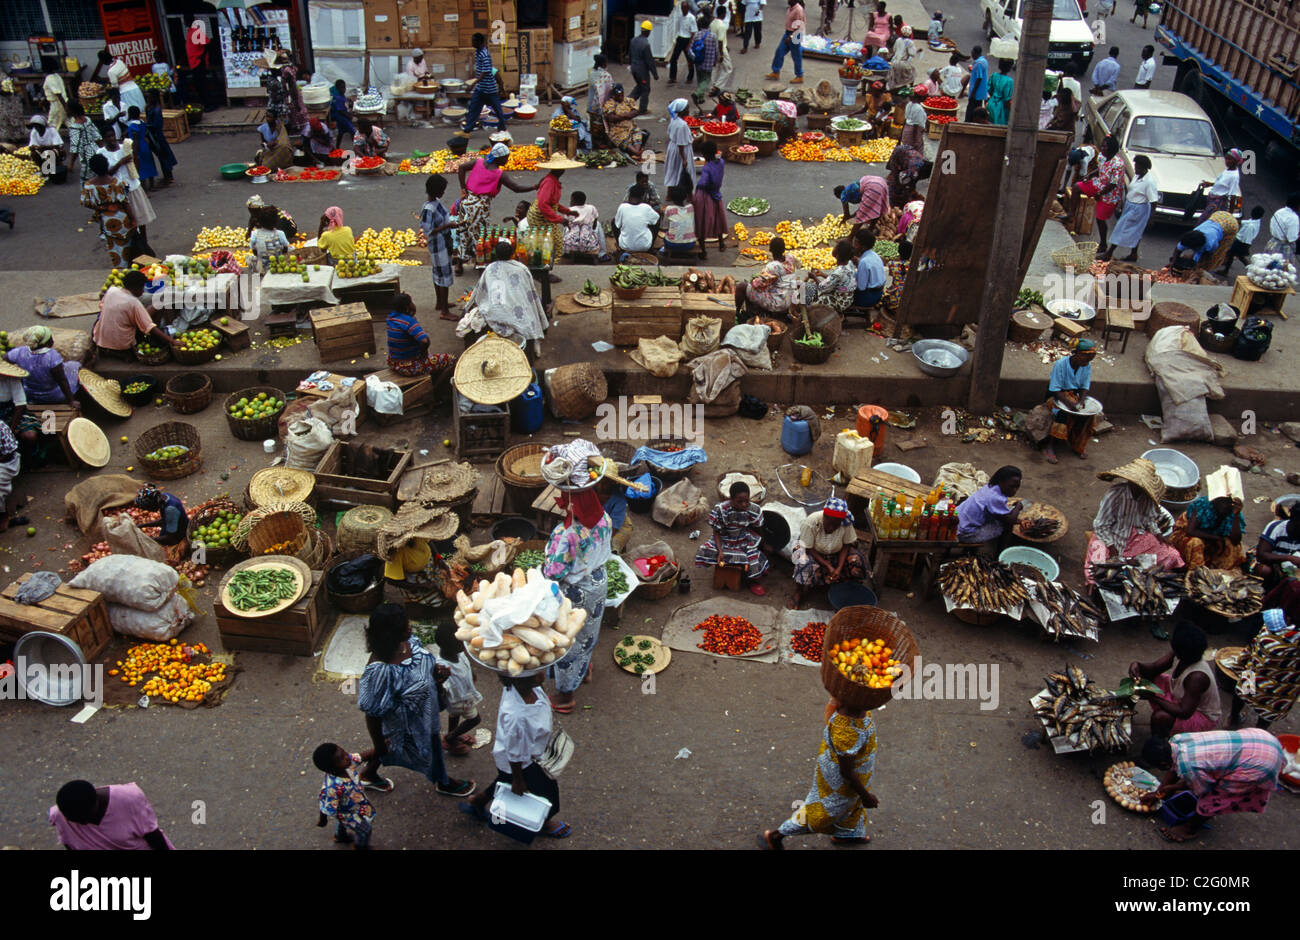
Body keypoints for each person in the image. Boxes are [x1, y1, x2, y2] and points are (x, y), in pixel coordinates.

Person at [357, 603, 475, 797]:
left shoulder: (407, 642)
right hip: (407, 725)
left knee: (395, 747)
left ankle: (369, 774)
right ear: (390, 634)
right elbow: (372, 713)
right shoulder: (379, 671)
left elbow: (420, 669)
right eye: (404, 627)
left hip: (425, 714)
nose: (410, 629)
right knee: (423, 748)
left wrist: (436, 676)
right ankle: (443, 781)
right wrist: (377, 744)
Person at [540, 441, 611, 712]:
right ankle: (587, 669)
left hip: (574, 593)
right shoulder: (603, 517)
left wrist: (548, 554)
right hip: (598, 581)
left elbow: (554, 571)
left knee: (567, 642)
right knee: (588, 632)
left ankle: (565, 696)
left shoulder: (567, 534)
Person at [759, 697, 878, 849]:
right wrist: (866, 796)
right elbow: (846, 772)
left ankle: (847, 835)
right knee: (822, 813)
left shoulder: (857, 710)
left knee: (852, 806)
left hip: (854, 775)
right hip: (840, 783)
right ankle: (776, 836)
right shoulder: (847, 731)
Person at [461, 674, 571, 837]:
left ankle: (479, 801)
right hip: (523, 763)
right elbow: (515, 753)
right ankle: (544, 823)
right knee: (548, 792)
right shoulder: (518, 717)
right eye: (538, 671)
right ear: (524, 679)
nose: (544, 672)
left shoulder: (523, 688)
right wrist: (518, 780)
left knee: (505, 778)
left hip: (516, 757)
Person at [1141, 730, 1285, 842]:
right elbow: (1174, 768)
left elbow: (1203, 789)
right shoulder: (1177, 740)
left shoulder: (1189, 767)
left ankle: (1189, 829)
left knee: (1214, 798)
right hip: (1262, 739)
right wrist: (1159, 792)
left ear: (1163, 765)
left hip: (1260, 763)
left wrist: (1171, 788)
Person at [1084, 458, 1183, 585]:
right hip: (1108, 536)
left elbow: (1149, 520)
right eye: (1136, 484)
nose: (1138, 488)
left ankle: (1141, 573)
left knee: (1171, 554)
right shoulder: (1115, 494)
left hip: (1134, 537)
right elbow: (1100, 525)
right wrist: (1111, 546)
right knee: (1097, 570)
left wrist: (1158, 534)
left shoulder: (1148, 497)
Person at [1130, 621, 1222, 741]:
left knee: (1160, 717)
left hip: (1199, 715)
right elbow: (1155, 668)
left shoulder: (1197, 677)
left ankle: (1160, 745)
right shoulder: (1185, 652)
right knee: (1140, 679)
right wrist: (1137, 665)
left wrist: (1152, 697)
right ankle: (1126, 715)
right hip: (1180, 696)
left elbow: (1184, 712)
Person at [461, 241, 549, 348]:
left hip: (496, 312)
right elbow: (530, 291)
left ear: (496, 255)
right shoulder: (521, 269)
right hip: (517, 311)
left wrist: (468, 307)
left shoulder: (490, 269)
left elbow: (479, 291)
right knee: (534, 301)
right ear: (512, 254)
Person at [791, 498, 869, 608]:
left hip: (835, 553)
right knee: (801, 557)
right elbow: (809, 548)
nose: (831, 528)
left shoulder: (845, 522)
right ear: (824, 517)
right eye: (829, 523)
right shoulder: (811, 522)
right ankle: (799, 591)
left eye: (836, 524)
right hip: (813, 551)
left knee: (856, 560)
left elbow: (846, 544)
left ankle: (846, 587)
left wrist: (839, 568)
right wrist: (827, 565)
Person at [49, 780, 174, 850]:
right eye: (72, 819)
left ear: (96, 803)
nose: (80, 824)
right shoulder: (60, 815)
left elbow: (153, 836)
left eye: (84, 818)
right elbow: (70, 844)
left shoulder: (128, 799)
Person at [456, 142, 538, 248]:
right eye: (506, 158)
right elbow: (516, 188)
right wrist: (534, 186)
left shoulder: (479, 162)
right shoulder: (499, 174)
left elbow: (461, 168)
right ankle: (480, 261)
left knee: (465, 233)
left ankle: (461, 260)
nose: (507, 160)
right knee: (480, 237)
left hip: (466, 203)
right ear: (499, 158)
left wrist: (463, 188)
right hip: (479, 208)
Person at [695, 480, 770, 594]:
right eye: (739, 501)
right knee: (706, 550)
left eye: (746, 501)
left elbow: (759, 527)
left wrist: (762, 544)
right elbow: (716, 532)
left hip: (744, 538)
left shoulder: (754, 509)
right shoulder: (720, 509)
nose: (744, 504)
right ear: (731, 499)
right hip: (725, 538)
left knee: (752, 557)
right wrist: (720, 551)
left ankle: (753, 581)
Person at [1230, 609, 1300, 730]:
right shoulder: (1295, 640)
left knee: (1243, 694)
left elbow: (1252, 644)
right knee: (1269, 710)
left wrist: (1241, 663)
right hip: (1279, 687)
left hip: (1254, 671)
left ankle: (1232, 719)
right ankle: (1257, 733)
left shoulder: (1270, 623)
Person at [1168, 466, 1247, 570]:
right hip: (1186, 537)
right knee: (1196, 543)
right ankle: (1196, 572)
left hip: (1211, 541)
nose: (1225, 506)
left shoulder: (1233, 511)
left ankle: (1220, 571)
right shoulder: (1202, 505)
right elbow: (1190, 531)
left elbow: (1236, 540)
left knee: (1234, 547)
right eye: (1222, 502)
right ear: (1215, 500)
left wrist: (1236, 515)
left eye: (1228, 503)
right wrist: (1216, 538)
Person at [97, 129, 156, 254]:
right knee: (126, 222)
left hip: (132, 187)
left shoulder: (124, 148)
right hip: (116, 192)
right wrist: (121, 162)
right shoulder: (101, 153)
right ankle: (131, 248)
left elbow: (135, 168)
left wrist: (134, 156)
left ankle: (144, 246)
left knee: (140, 220)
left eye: (113, 135)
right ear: (103, 139)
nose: (112, 138)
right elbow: (106, 173)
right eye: (108, 136)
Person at [432, 621, 483, 756]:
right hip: (459, 701)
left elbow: (465, 665)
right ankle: (450, 738)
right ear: (451, 646)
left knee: (454, 716)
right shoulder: (443, 667)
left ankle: (452, 734)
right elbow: (441, 690)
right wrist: (440, 684)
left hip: (461, 698)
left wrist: (472, 674)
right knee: (475, 719)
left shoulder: (458, 654)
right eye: (461, 642)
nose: (465, 643)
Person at [1043, 338, 1098, 462]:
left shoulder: (1086, 366)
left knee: (1089, 415)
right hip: (1056, 397)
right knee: (1063, 413)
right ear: (1077, 353)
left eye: (1091, 357)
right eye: (1086, 356)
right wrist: (1071, 405)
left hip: (1073, 396)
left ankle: (1077, 444)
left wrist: (1081, 402)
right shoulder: (1060, 364)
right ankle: (1050, 446)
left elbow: (1084, 386)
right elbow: (1055, 390)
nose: (1088, 360)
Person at [313, 743, 376, 849]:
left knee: (341, 822)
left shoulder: (347, 764)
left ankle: (340, 836)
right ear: (331, 769)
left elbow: (362, 756)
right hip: (349, 815)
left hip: (354, 805)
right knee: (365, 830)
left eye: (344, 752)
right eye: (341, 759)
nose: (347, 757)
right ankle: (360, 846)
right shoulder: (332, 788)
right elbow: (325, 808)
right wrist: (323, 820)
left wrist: (380, 747)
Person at [81, 154, 136, 270]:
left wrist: (104, 208)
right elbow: (125, 202)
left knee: (115, 249)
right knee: (129, 248)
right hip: (123, 220)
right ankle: (130, 270)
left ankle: (121, 272)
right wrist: (133, 219)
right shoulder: (117, 182)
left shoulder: (89, 186)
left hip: (108, 223)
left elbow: (86, 203)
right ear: (107, 166)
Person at [1099, 154, 1158, 262]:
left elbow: (1154, 201)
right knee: (1135, 232)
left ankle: (1109, 252)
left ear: (1145, 168)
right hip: (1129, 206)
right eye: (1136, 167)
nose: (1136, 169)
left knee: (1121, 228)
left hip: (1138, 209)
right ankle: (1133, 254)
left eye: (1138, 167)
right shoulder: (1137, 176)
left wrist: (1151, 218)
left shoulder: (1149, 182)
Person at [386, 291, 455, 382]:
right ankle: (436, 387)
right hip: (409, 367)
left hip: (393, 363)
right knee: (451, 359)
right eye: (411, 302)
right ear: (407, 307)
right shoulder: (409, 321)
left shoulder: (390, 318)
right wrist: (422, 354)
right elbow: (425, 341)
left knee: (429, 355)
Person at [1072, 134, 1126, 247]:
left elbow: (1113, 184)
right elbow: (1100, 169)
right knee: (1077, 187)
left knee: (1100, 219)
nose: (1102, 149)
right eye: (1102, 146)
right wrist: (1090, 175)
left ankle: (1103, 244)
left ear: (1111, 148)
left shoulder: (1118, 164)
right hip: (1099, 184)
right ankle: (1071, 214)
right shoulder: (1101, 156)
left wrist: (1099, 194)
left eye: (1105, 147)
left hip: (1110, 194)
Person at [418, 176, 459, 320]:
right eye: (442, 190)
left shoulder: (436, 202)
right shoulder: (429, 209)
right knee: (444, 276)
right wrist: (448, 226)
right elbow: (428, 230)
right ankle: (445, 312)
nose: (443, 193)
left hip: (442, 243)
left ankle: (440, 303)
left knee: (438, 273)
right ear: (436, 190)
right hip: (438, 246)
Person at [529, 156, 579, 270]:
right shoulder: (549, 182)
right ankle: (545, 269)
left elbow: (553, 203)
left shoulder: (552, 180)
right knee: (550, 244)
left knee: (554, 241)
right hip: (540, 217)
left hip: (546, 214)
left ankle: (547, 267)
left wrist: (568, 211)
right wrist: (560, 219)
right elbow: (543, 204)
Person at [7, 326, 77, 407]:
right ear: (45, 343)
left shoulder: (19, 352)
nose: (53, 340)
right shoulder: (52, 356)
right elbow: (62, 380)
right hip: (52, 395)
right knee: (73, 366)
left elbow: (3, 360)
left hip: (28, 394)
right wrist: (71, 400)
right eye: (50, 338)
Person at [956, 466, 1024, 548]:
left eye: (1017, 487)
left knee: (1001, 516)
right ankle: (1000, 551)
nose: (1014, 490)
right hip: (964, 534)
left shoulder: (990, 487)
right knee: (1004, 525)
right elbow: (1010, 520)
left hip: (957, 521)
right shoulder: (995, 498)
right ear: (1001, 482)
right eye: (1011, 486)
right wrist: (1018, 507)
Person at [736, 236, 797, 321]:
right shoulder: (791, 258)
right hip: (789, 300)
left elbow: (756, 284)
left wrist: (756, 278)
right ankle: (754, 310)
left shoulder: (772, 266)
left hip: (779, 304)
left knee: (742, 286)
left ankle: (737, 314)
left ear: (770, 250)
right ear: (784, 250)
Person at [135, 484, 189, 559]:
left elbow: (170, 537)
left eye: (148, 508)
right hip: (172, 527)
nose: (149, 511)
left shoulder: (170, 510)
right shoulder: (164, 497)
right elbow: (164, 520)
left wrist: (149, 539)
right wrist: (143, 525)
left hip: (179, 535)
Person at [693, 140, 726, 258]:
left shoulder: (707, 167)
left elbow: (705, 182)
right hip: (716, 193)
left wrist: (697, 188)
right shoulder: (721, 162)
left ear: (705, 154)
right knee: (718, 219)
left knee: (701, 221)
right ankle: (721, 243)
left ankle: (703, 251)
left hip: (705, 195)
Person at [1255, 505, 1300, 588]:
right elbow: (1261, 555)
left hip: (1290, 567)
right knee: (1265, 570)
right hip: (1271, 563)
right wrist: (1289, 558)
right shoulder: (1276, 528)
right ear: (1294, 521)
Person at [806, 239, 857, 313]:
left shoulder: (839, 272)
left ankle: (806, 313)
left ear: (838, 255)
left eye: (835, 247)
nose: (833, 248)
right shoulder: (850, 263)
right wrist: (822, 274)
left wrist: (814, 277)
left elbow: (822, 287)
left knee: (809, 291)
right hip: (847, 298)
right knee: (811, 287)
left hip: (839, 302)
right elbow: (836, 281)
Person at [765, 0, 807, 84]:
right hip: (788, 33)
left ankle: (799, 76)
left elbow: (800, 26)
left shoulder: (798, 10)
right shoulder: (790, 8)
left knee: (796, 55)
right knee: (779, 51)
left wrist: (791, 37)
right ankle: (776, 72)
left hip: (795, 35)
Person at [1196, 148, 1242, 222]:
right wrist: (1210, 184)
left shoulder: (1234, 176)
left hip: (1217, 203)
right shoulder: (1228, 170)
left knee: (1202, 221)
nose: (1227, 161)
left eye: (1230, 159)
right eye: (1226, 158)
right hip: (1212, 200)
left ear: (1236, 161)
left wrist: (1229, 216)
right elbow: (1223, 183)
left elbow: (1233, 195)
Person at [1220, 204, 1265, 276]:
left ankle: (1252, 271)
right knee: (1236, 256)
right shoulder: (1255, 222)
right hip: (1243, 243)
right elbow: (1246, 222)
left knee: (1236, 255)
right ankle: (1226, 270)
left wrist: (1238, 243)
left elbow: (1245, 238)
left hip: (1241, 242)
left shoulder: (1250, 226)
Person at [144, 92, 177, 185]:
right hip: (153, 135)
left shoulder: (157, 110)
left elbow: (157, 125)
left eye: (150, 97)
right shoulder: (150, 108)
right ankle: (167, 176)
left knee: (164, 156)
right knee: (161, 156)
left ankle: (169, 177)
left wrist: (146, 126)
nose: (148, 99)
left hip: (157, 136)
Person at [664, 98, 697, 192]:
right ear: (682, 110)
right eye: (687, 108)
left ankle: (669, 193)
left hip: (672, 147)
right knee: (686, 172)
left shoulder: (674, 120)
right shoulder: (682, 125)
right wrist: (684, 158)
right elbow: (681, 144)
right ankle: (688, 194)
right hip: (681, 150)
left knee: (673, 170)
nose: (688, 110)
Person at [124, 107, 160, 192]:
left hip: (139, 147)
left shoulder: (133, 126)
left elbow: (135, 139)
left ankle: (144, 189)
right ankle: (152, 185)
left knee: (141, 167)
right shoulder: (142, 122)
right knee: (149, 164)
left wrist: (135, 152)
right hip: (145, 145)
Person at [65, 101, 101, 182]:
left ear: (71, 111)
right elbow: (97, 137)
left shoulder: (74, 127)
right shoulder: (88, 120)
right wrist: (103, 151)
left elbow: (75, 147)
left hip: (85, 155)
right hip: (96, 150)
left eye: (67, 109)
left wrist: (71, 164)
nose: (66, 111)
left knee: (87, 180)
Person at [248, 206, 291, 273]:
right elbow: (285, 249)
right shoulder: (280, 234)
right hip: (278, 266)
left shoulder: (254, 234)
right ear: (276, 222)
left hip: (262, 267)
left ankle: (261, 269)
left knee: (249, 258)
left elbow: (254, 251)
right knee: (292, 248)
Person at [562, 190, 604, 258]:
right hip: (590, 245)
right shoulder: (591, 208)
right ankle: (602, 254)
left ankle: (565, 252)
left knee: (566, 228)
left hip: (571, 245)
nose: (570, 202)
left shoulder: (569, 210)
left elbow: (567, 226)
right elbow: (595, 224)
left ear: (574, 202)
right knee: (598, 225)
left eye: (571, 200)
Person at [629, 20, 659, 114]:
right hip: (642, 71)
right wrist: (655, 74)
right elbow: (649, 61)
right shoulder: (645, 44)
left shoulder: (633, 40)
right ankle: (642, 109)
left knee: (640, 87)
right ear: (648, 31)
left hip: (634, 68)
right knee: (645, 89)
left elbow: (630, 54)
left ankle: (628, 102)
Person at [658, 185, 696, 257]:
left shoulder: (669, 209)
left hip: (672, 244)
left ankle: (665, 251)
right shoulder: (691, 207)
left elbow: (665, 227)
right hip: (690, 243)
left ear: (672, 198)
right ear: (685, 197)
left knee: (665, 236)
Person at [850, 174, 890, 239]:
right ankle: (871, 228)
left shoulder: (860, 191)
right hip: (882, 182)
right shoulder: (861, 182)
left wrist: (850, 236)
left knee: (862, 215)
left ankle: (850, 238)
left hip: (874, 187)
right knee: (878, 208)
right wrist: (853, 215)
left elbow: (861, 213)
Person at [853, 231, 886, 309]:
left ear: (863, 247)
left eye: (855, 243)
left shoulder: (864, 262)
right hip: (879, 293)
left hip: (868, 297)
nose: (854, 246)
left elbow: (861, 287)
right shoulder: (875, 255)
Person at [691, 13, 719, 104]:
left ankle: (700, 98)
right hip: (709, 62)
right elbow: (716, 50)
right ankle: (697, 93)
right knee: (706, 80)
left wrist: (693, 58)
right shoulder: (713, 36)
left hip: (698, 61)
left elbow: (690, 49)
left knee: (700, 79)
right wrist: (716, 60)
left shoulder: (696, 35)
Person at [668, 1, 698, 85]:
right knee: (674, 59)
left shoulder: (691, 18)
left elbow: (693, 32)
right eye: (682, 8)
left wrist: (689, 44)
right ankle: (673, 77)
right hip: (680, 38)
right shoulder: (680, 16)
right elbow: (678, 27)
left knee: (689, 60)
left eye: (684, 8)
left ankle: (690, 77)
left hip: (687, 39)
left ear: (688, 8)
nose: (683, 10)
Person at [1265, 193, 1299, 266]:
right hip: (1284, 249)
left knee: (1268, 267)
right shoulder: (1294, 218)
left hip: (1272, 243)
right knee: (1283, 270)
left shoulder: (1279, 212)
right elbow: (1291, 238)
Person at [881, 240, 912, 314]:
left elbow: (891, 278)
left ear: (898, 251)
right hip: (908, 301)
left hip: (894, 301)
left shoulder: (892, 264)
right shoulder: (914, 266)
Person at [709, 5, 735, 92]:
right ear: (723, 14)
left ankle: (712, 86)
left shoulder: (712, 23)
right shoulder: (721, 26)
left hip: (713, 48)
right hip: (721, 50)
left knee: (715, 67)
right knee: (728, 68)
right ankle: (718, 86)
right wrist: (721, 55)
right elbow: (720, 41)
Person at [986, 58, 1014, 125]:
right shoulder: (1009, 81)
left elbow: (989, 89)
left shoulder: (994, 75)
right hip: (1000, 108)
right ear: (1010, 67)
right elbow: (1007, 99)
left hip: (990, 104)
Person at [329, 79, 355, 149]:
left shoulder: (342, 96)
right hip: (342, 118)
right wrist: (349, 116)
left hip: (342, 118)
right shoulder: (338, 98)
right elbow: (341, 110)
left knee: (341, 133)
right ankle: (356, 147)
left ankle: (337, 147)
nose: (344, 89)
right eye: (342, 88)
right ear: (337, 88)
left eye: (344, 87)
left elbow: (344, 106)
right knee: (352, 131)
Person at [42, 61, 68, 132]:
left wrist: (66, 107)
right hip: (63, 102)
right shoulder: (57, 76)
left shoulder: (50, 79)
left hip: (57, 104)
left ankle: (54, 141)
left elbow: (58, 93)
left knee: (52, 124)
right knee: (67, 121)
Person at [966, 46, 989, 121]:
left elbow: (979, 78)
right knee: (977, 111)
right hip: (981, 93)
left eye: (972, 53)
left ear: (975, 53)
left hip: (976, 94)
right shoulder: (984, 61)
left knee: (970, 112)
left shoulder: (978, 63)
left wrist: (973, 93)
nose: (972, 55)